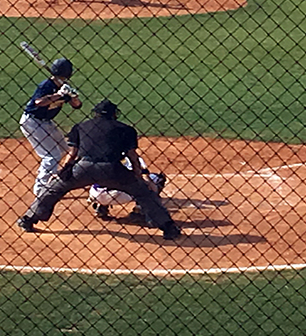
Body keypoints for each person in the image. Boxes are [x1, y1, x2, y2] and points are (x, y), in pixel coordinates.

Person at [17, 99, 182, 240]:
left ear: (96, 113)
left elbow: (72, 155)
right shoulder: (125, 129)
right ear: (114, 114)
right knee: (144, 193)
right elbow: (132, 157)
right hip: (112, 170)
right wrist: (137, 177)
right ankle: (168, 228)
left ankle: (28, 219)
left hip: (83, 169)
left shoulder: (80, 127)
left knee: (54, 190)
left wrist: (62, 174)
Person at [20, 57, 82, 196]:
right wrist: (58, 95)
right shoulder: (46, 86)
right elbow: (39, 102)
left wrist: (72, 96)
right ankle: (41, 189)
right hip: (32, 122)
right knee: (51, 156)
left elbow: (77, 106)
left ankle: (70, 178)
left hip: (46, 123)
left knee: (66, 149)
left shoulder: (64, 87)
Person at [86, 156, 167, 222]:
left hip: (96, 194)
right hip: (119, 195)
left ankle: (101, 207)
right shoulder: (135, 159)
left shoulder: (102, 156)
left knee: (106, 179)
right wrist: (154, 197)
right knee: (156, 179)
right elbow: (147, 180)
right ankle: (139, 210)